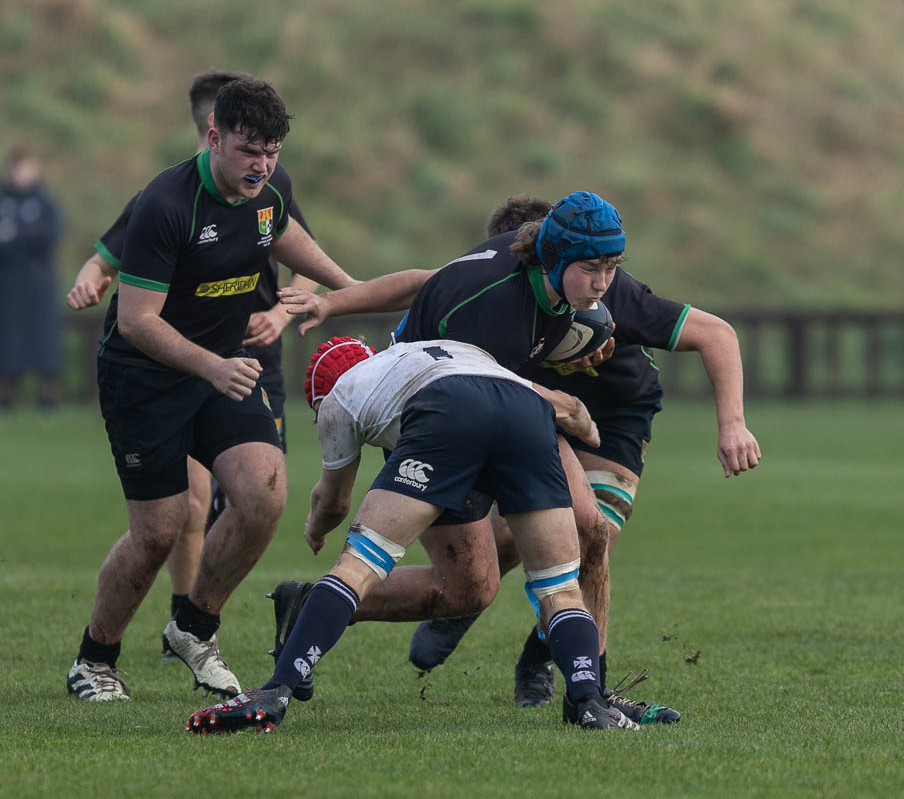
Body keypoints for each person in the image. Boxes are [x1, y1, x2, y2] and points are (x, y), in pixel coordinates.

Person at [406, 195, 760, 721]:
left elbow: (716, 333)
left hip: (616, 418)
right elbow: (419, 281)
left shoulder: (609, 289)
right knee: (544, 533)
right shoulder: (500, 292)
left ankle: (545, 658)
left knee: (594, 535)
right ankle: (474, 606)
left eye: (606, 267)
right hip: (546, 415)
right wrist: (337, 301)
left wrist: (732, 423)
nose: (601, 279)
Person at [65, 74, 358, 702]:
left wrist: (351, 290)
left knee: (264, 495)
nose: (261, 165)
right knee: (160, 529)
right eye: (248, 150)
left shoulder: (269, 187)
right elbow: (137, 321)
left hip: (222, 368)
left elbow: (282, 234)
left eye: (272, 152)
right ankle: (94, 660)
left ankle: (193, 627)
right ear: (214, 137)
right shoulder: (165, 204)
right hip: (145, 379)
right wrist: (212, 367)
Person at [186, 337, 641, 733]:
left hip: (447, 409)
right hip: (524, 410)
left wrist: (315, 527)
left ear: (320, 399)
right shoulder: (431, 352)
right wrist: (588, 429)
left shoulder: (340, 396)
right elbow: (569, 410)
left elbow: (334, 501)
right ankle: (588, 701)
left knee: (359, 565)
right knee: (559, 586)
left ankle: (276, 691)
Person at [0, 147, 64, 411]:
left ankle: (48, 400)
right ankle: (4, 400)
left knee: (43, 341)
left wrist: (14, 236)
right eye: (17, 168)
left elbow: (49, 237)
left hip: (38, 286)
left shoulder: (46, 204)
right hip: (5, 286)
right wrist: (27, 238)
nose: (21, 174)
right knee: (6, 341)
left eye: (27, 168)